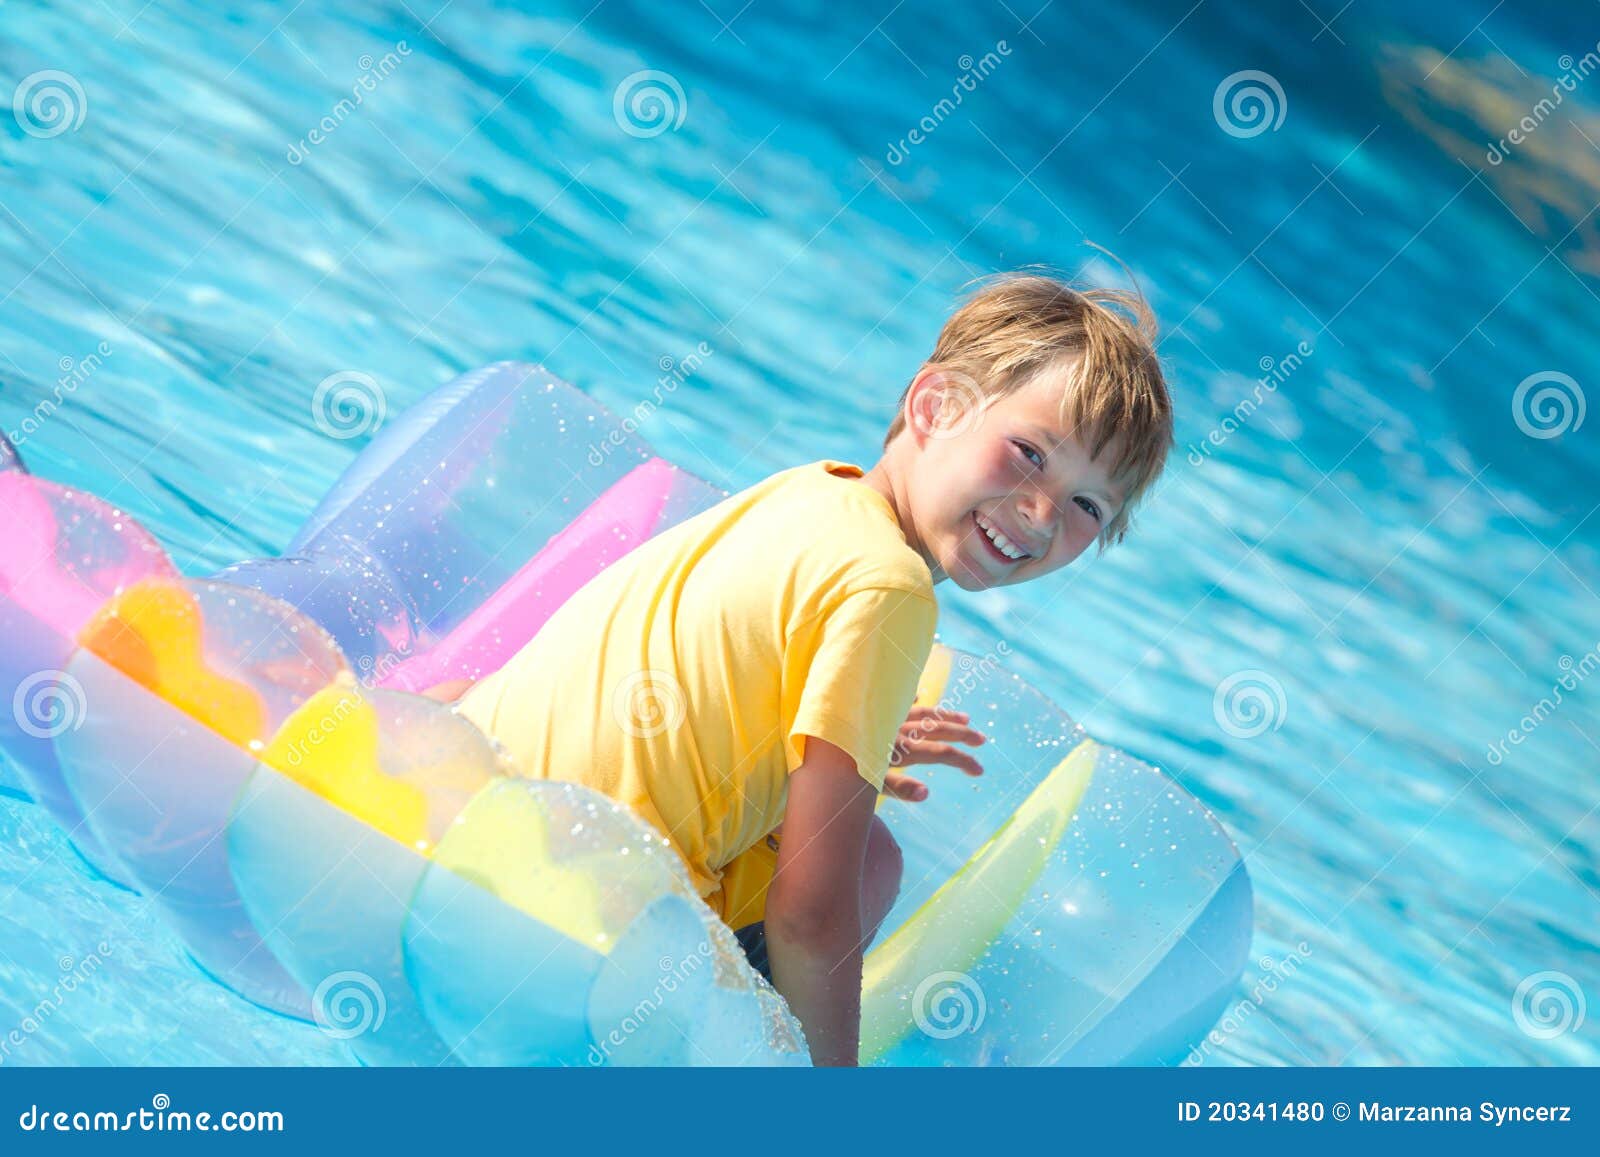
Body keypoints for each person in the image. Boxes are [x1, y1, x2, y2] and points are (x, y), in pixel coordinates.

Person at [441, 268, 1173, 1065]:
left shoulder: (810, 495)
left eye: (1087, 507)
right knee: (864, 874)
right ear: (935, 407)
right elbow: (809, 914)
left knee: (870, 846)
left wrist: (856, 734)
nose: (1041, 514)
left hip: (472, 795)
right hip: (574, 914)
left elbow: (719, 674)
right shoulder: (893, 591)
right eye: (1029, 454)